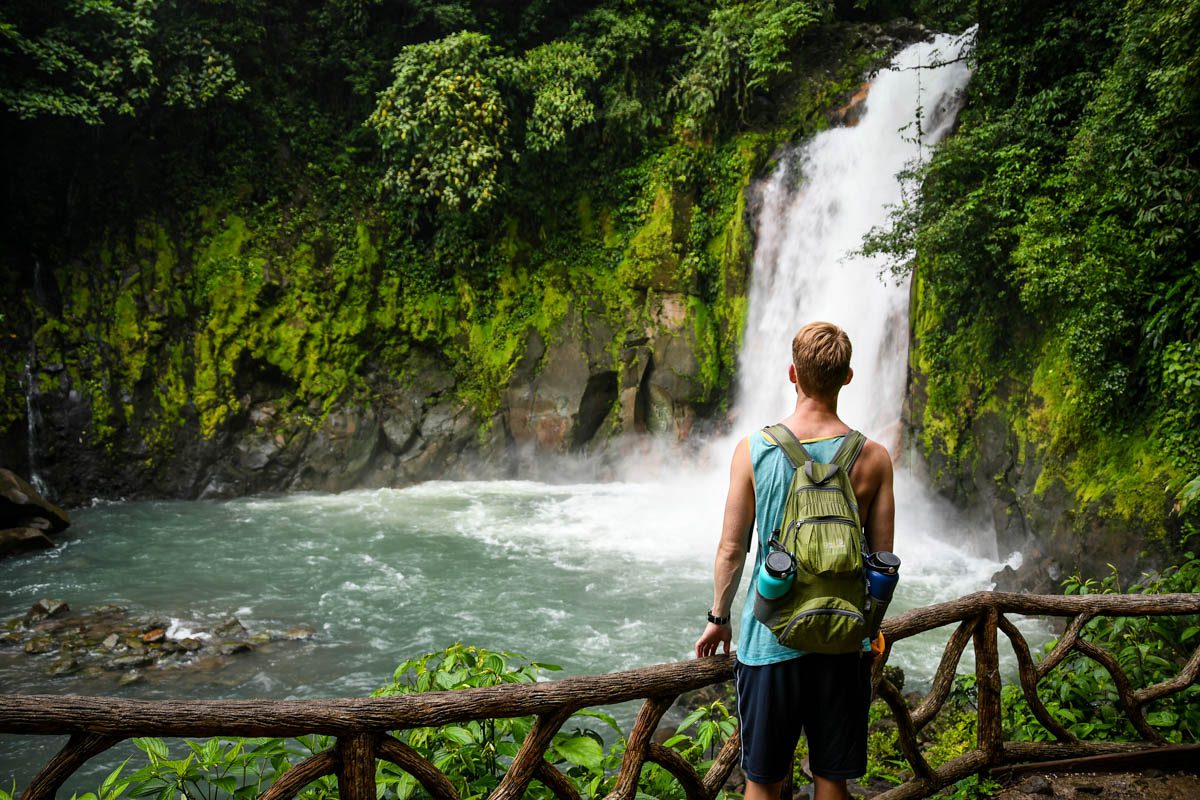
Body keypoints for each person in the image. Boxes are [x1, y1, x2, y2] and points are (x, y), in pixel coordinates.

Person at [694, 321, 895, 800]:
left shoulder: (754, 450)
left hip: (769, 640)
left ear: (792, 373)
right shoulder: (875, 457)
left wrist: (718, 617)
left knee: (763, 785)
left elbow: (731, 548)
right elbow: (882, 559)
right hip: (844, 642)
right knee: (831, 781)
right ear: (847, 377)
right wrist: (872, 628)